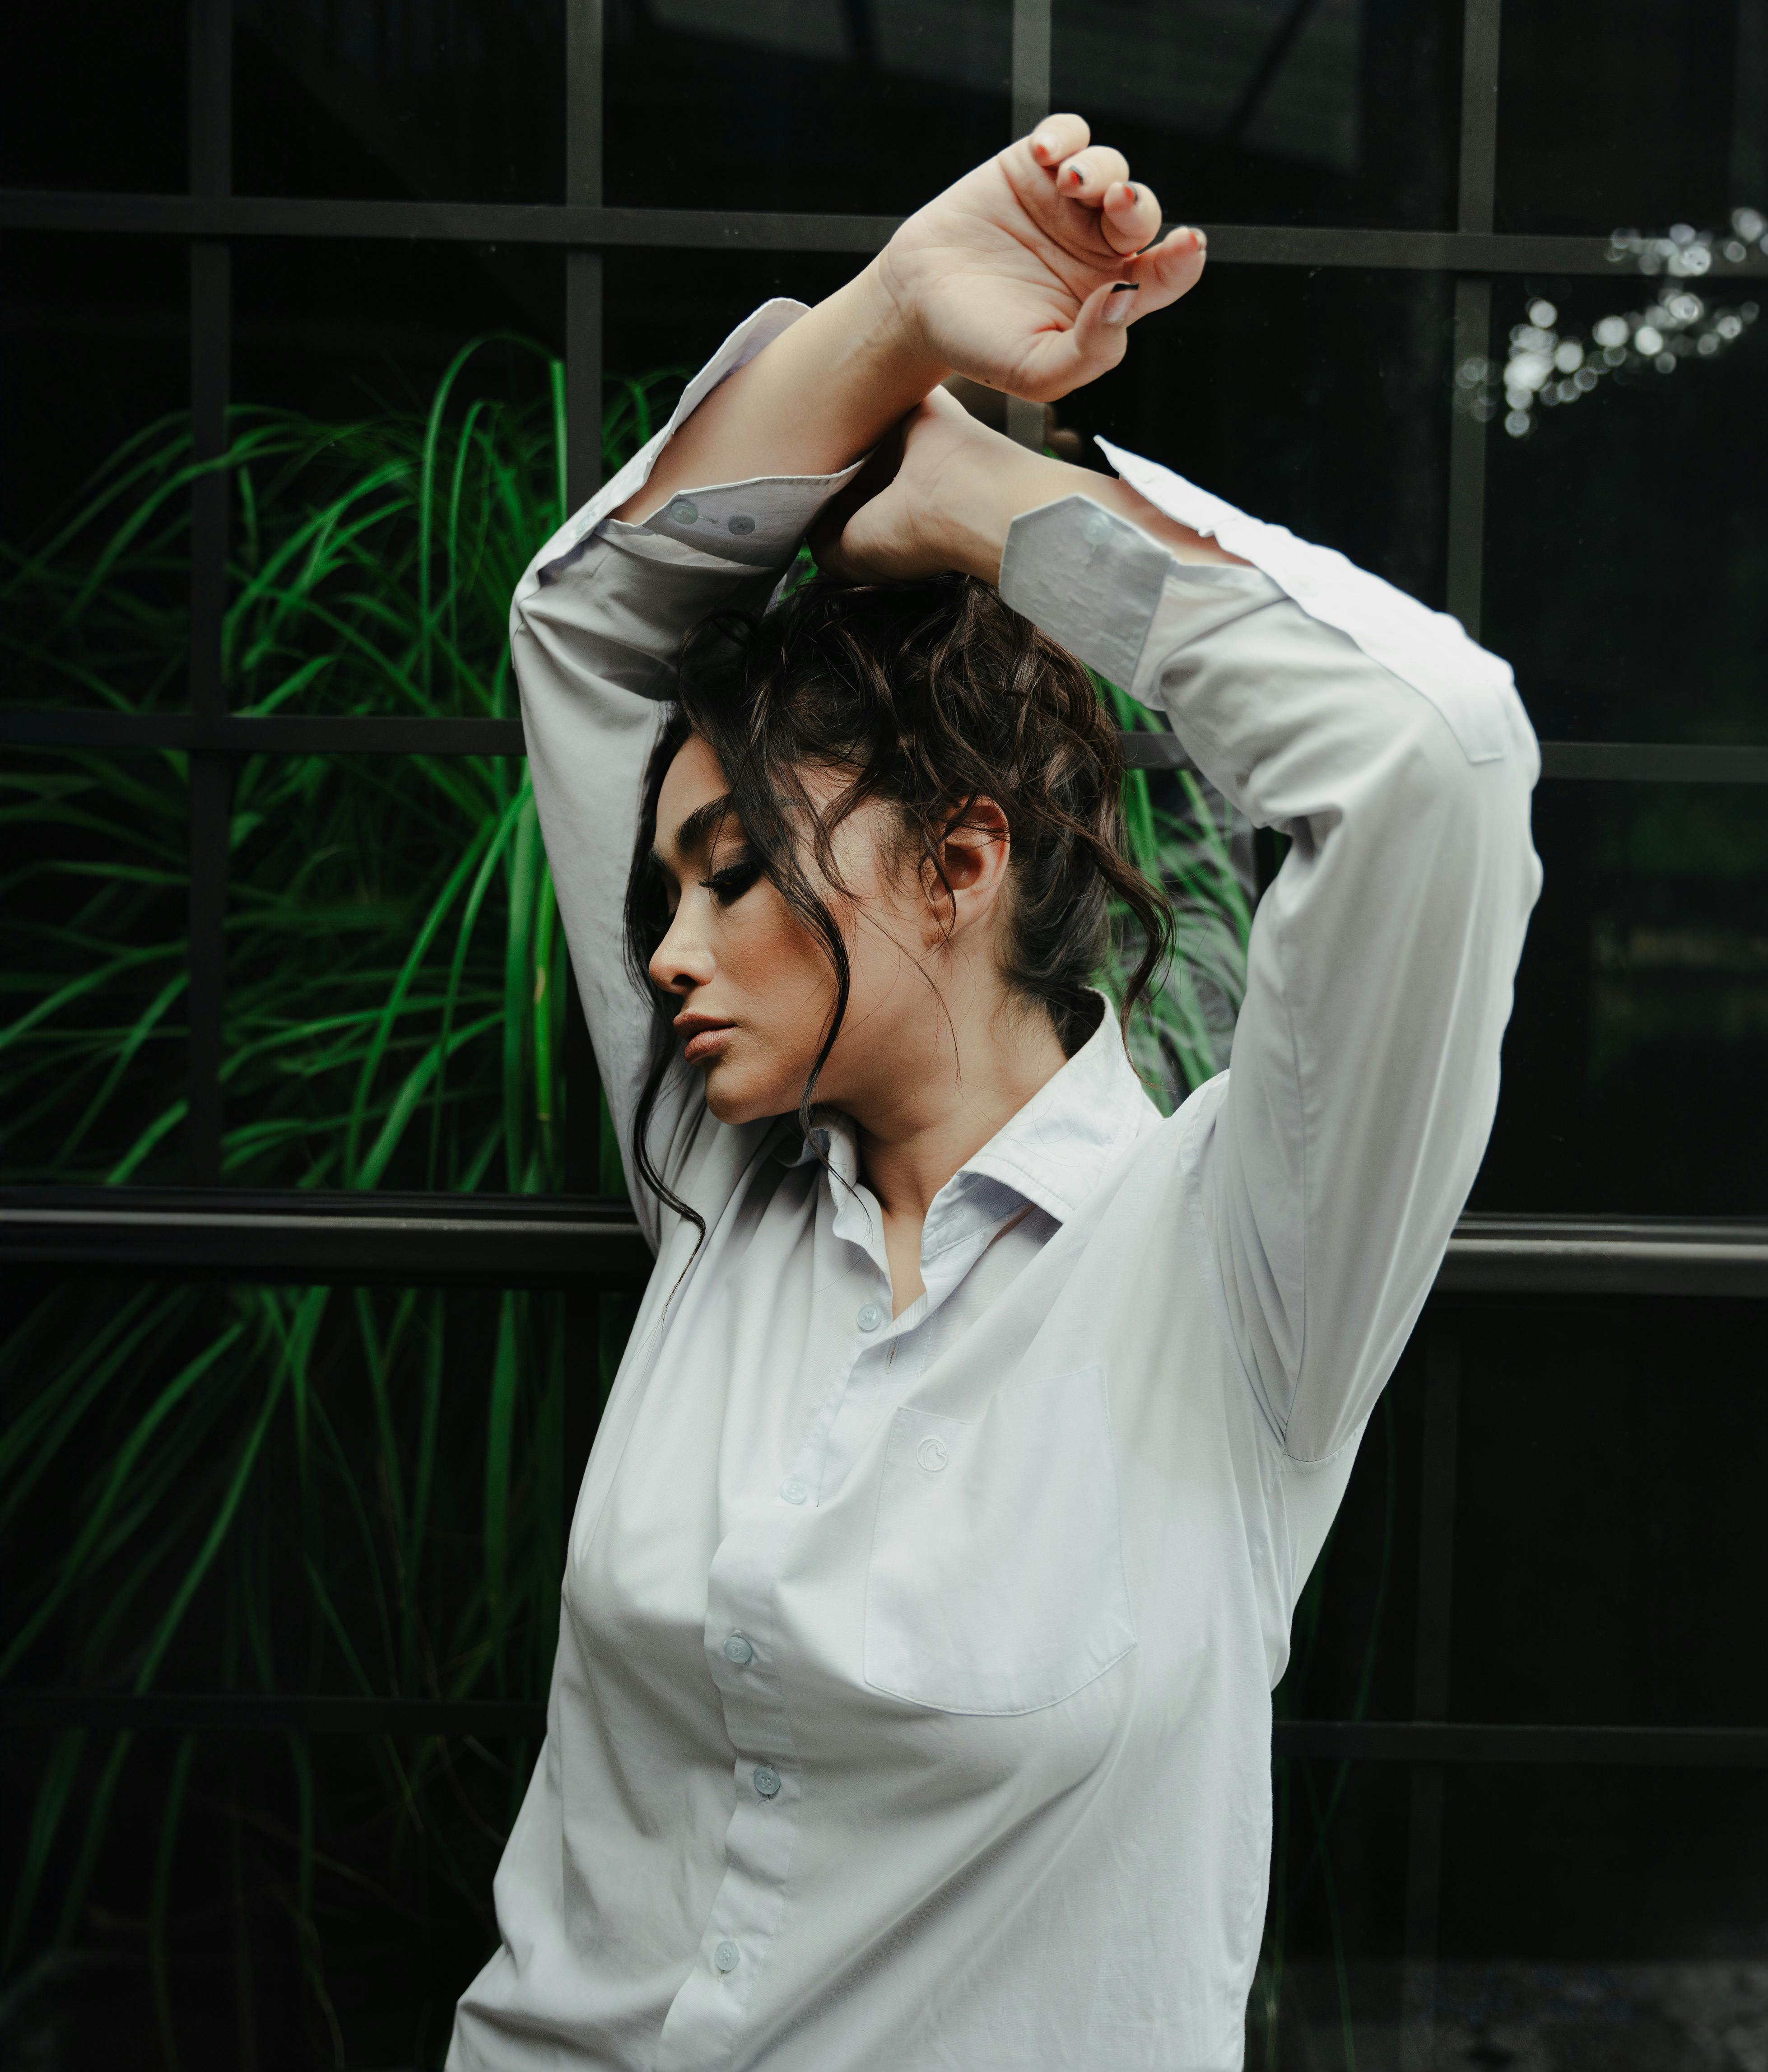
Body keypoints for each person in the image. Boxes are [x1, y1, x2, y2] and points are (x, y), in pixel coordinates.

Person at [448, 118, 1541, 2072]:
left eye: (733, 876)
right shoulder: (718, 1185)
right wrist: (890, 316)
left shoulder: (1231, 1280)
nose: (669, 953)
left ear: (960, 867)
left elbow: (1431, 759)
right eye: (660, 894)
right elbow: (585, 627)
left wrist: (983, 502)